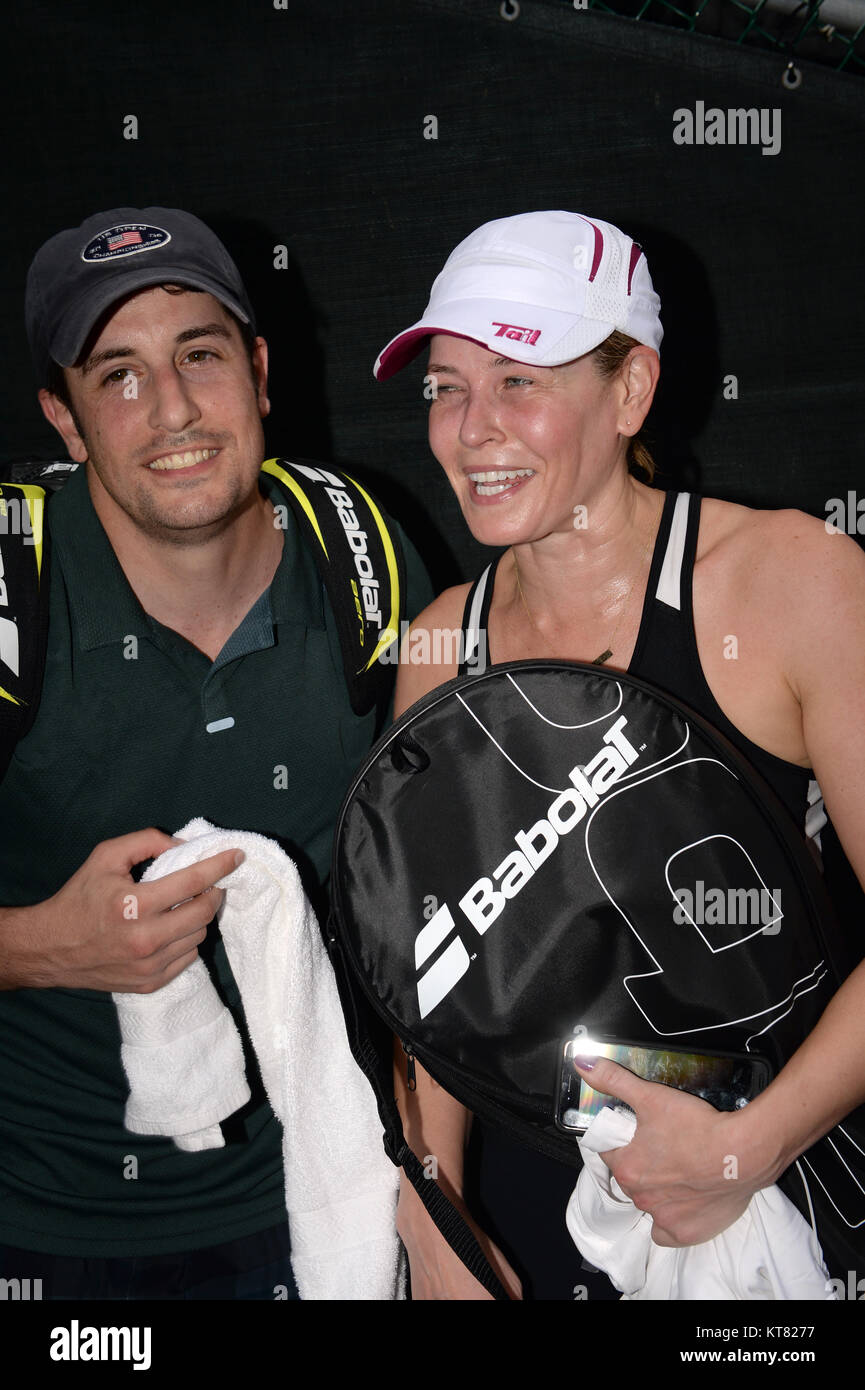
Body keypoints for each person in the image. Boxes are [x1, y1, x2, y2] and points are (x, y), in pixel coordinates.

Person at [373, 209, 865, 1300]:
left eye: (519, 380)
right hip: (543, 1207)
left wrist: (749, 1148)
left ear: (631, 390)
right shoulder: (436, 648)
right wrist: (438, 1226)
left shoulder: (790, 580)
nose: (469, 427)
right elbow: (435, 993)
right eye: (446, 386)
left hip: (786, 1176)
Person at [0, 206, 430, 1299]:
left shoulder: (364, 551)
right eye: (120, 376)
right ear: (63, 416)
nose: (176, 410)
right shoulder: (10, 588)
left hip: (325, 1193)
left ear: (260, 369)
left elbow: (446, 902)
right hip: (51, 1218)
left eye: (199, 354)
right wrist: (43, 946)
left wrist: (432, 1180)